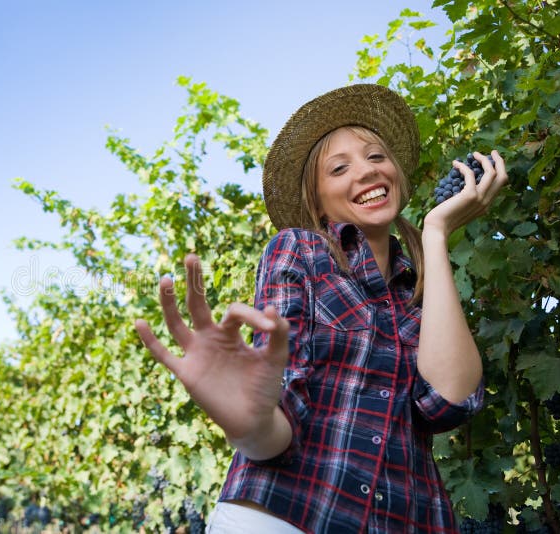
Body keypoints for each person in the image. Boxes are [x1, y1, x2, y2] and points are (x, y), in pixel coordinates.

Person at [134, 84, 509, 533]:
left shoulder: (423, 286)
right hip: (287, 515)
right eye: (339, 168)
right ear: (315, 199)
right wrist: (251, 425)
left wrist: (436, 233)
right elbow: (281, 413)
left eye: (376, 157)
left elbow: (448, 404)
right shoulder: (300, 250)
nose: (367, 172)